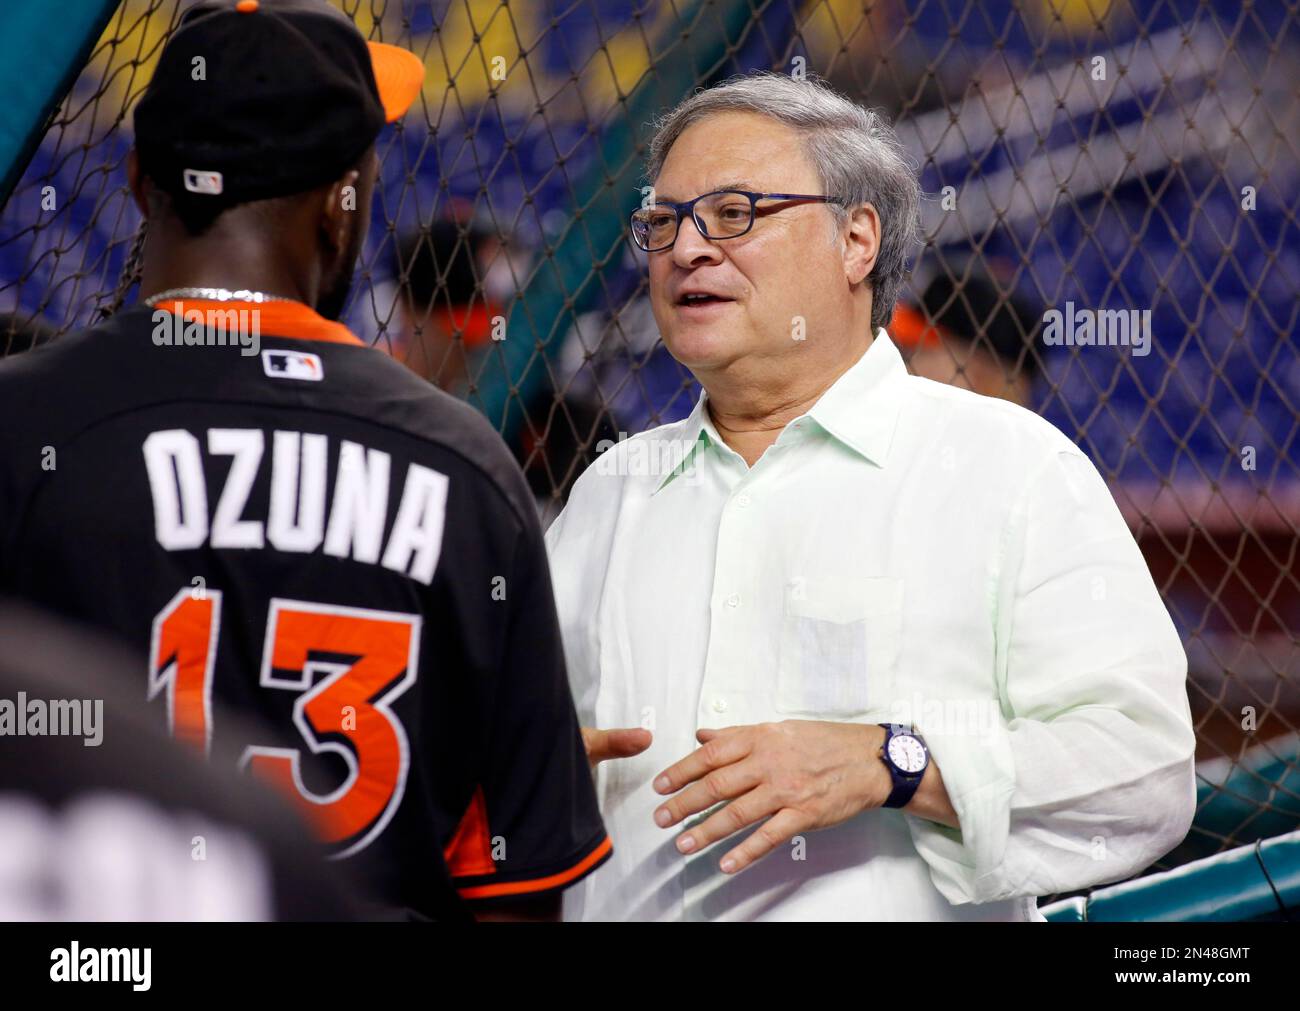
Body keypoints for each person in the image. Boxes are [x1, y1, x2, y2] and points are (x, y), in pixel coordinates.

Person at [0, 0, 607, 921]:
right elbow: (515, 896)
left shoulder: (21, 422)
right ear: (342, 203)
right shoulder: (465, 466)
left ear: (134, 182)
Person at [546, 72, 1196, 921]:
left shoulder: (1011, 466)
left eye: (735, 213)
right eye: (663, 222)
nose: (687, 250)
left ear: (856, 240)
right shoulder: (609, 492)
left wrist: (890, 762)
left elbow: (1144, 773)